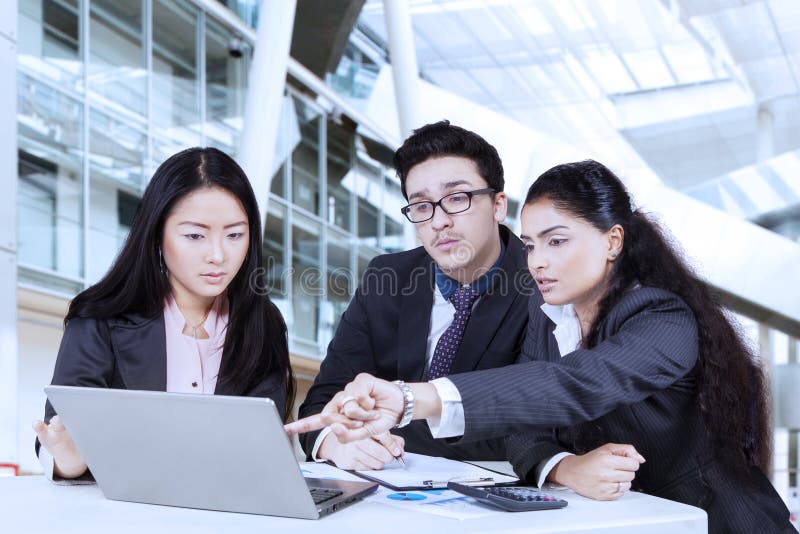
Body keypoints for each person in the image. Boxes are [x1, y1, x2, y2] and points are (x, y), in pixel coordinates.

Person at [287, 160, 795, 532]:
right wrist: (567, 467)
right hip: (617, 522)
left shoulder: (661, 316)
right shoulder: (548, 314)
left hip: (717, 522)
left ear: (613, 241)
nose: (537, 262)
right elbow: (524, 424)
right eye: (529, 245)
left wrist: (411, 397)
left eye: (557, 241)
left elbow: (572, 385)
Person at [33, 147, 294, 482]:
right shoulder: (100, 318)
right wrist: (69, 460)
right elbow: (60, 438)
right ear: (157, 234)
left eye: (234, 235)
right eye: (195, 236)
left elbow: (265, 448)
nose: (217, 255)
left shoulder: (263, 324)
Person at [297, 120, 535, 470]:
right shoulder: (387, 276)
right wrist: (334, 441)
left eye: (457, 199)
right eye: (422, 206)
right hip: (383, 488)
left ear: (498, 205)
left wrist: (388, 423)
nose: (438, 221)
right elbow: (324, 400)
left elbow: (525, 423)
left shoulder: (540, 281)